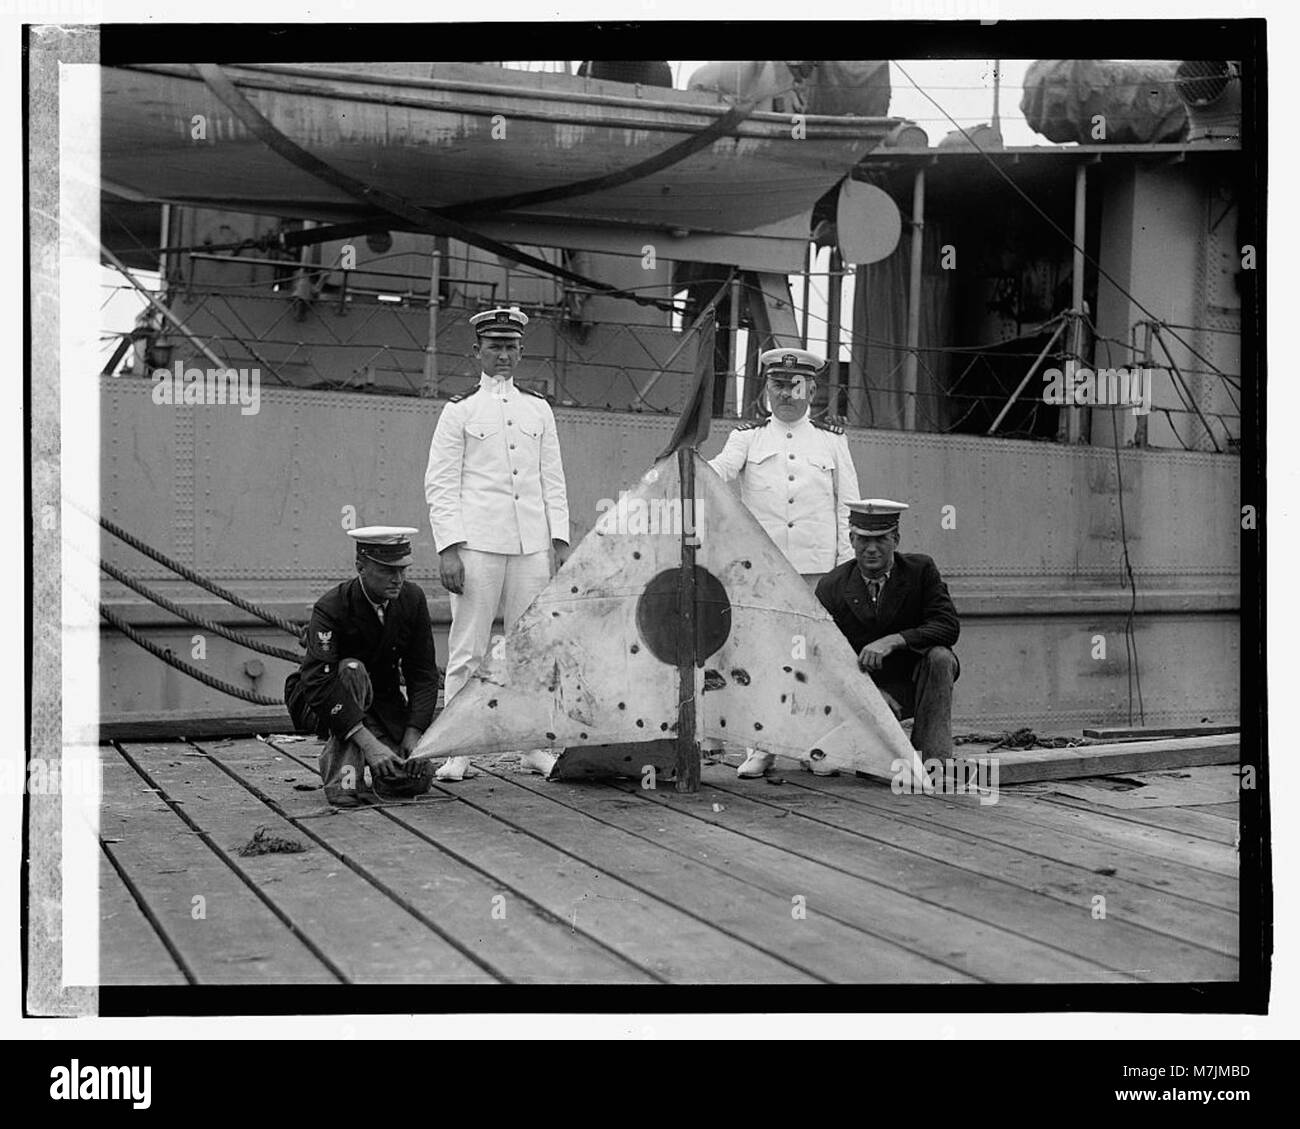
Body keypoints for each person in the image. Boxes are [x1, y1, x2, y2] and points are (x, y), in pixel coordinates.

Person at [424, 306, 571, 781]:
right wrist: (449, 547)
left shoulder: (537, 409)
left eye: (510, 347)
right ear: (477, 352)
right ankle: (458, 749)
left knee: (532, 646)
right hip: (478, 546)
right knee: (468, 648)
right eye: (494, 347)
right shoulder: (459, 410)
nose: (503, 354)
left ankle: (533, 744)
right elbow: (441, 483)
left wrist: (560, 539)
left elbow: (553, 479)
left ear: (521, 351)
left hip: (530, 547)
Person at [707, 346, 861, 778]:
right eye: (778, 384)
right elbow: (719, 472)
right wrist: (690, 462)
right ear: (766, 389)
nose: (787, 393)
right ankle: (762, 746)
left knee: (816, 658)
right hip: (765, 570)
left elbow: (847, 505)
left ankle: (817, 746)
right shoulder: (747, 438)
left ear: (811, 388)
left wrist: (844, 569)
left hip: (817, 571)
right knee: (763, 657)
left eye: (796, 385)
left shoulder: (831, 441)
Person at [284, 527, 439, 807]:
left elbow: (423, 672)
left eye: (403, 570)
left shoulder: (412, 600)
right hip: (322, 700)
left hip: (380, 702)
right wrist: (370, 745)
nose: (398, 579)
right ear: (361, 567)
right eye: (388, 571)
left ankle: (377, 769)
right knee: (351, 670)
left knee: (415, 777)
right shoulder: (332, 607)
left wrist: (414, 734)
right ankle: (344, 780)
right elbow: (319, 683)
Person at [815, 499, 961, 759]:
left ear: (896, 539)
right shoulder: (832, 586)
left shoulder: (921, 571)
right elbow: (824, 656)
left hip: (913, 683)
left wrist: (894, 640)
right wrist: (871, 696)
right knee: (868, 771)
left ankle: (934, 760)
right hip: (861, 692)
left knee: (941, 657)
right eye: (863, 539)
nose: (871, 549)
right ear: (851, 539)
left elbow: (947, 626)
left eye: (881, 539)